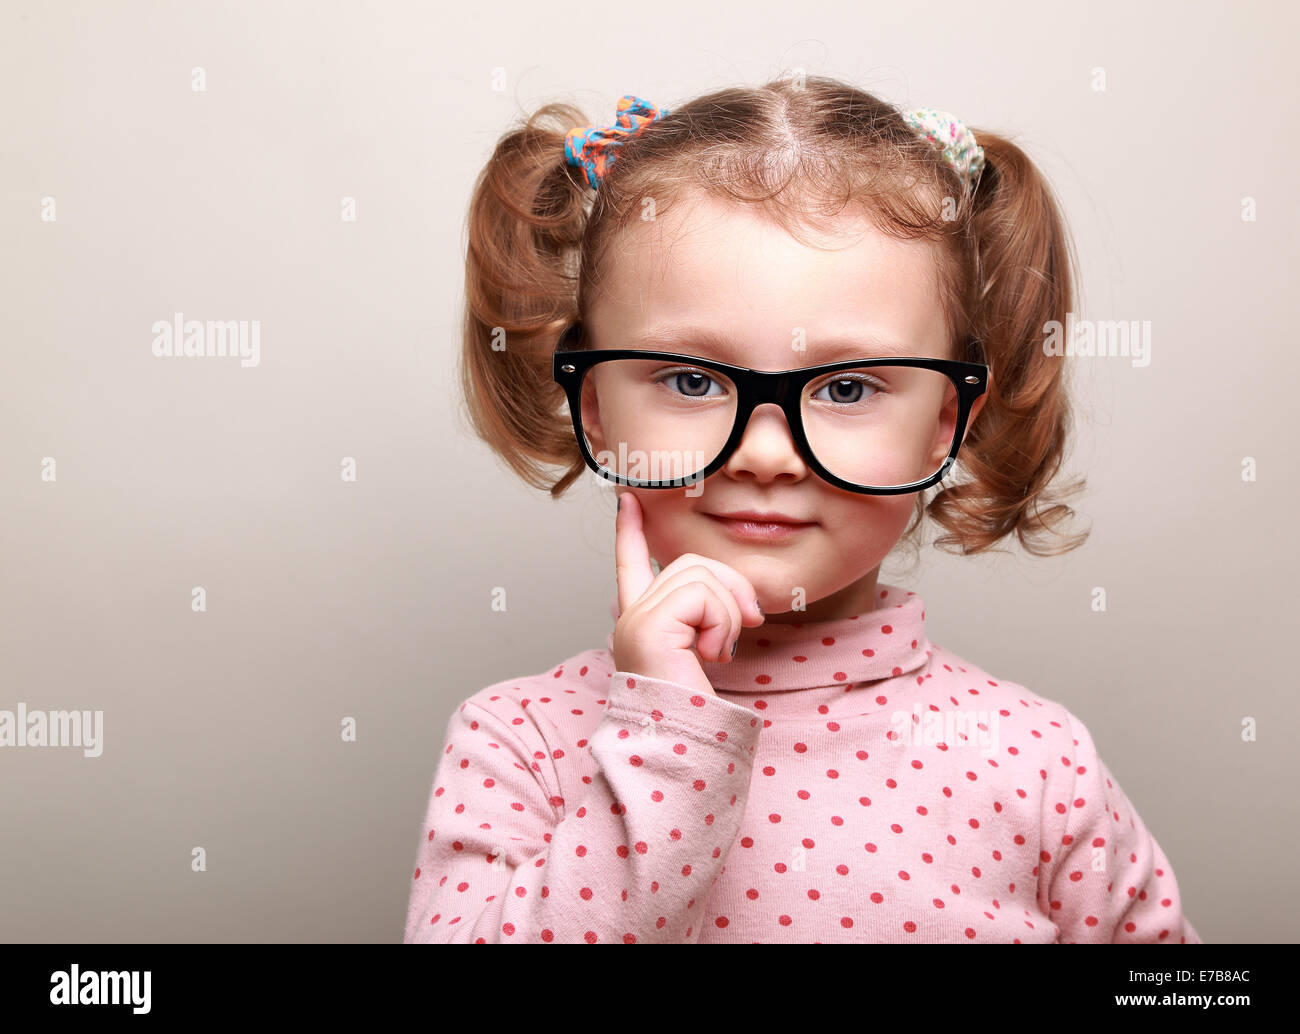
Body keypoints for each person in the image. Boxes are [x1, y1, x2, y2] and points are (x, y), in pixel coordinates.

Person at [403, 77, 1200, 943]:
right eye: (691, 380)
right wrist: (666, 739)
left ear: (945, 422)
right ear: (593, 403)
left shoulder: (1040, 764)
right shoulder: (521, 743)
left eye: (849, 387)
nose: (767, 454)